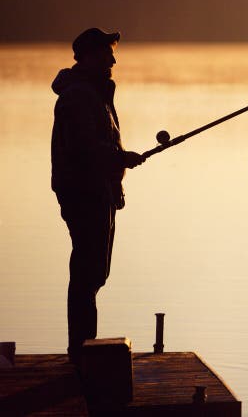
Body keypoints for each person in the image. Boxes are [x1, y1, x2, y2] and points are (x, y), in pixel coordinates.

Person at [50, 28, 145, 363]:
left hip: (97, 192)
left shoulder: (94, 93)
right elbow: (85, 149)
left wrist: (116, 181)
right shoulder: (79, 96)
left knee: (93, 274)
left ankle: (83, 349)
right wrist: (121, 158)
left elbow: (100, 145)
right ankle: (81, 352)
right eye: (107, 54)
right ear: (89, 57)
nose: (113, 61)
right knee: (87, 274)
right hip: (83, 193)